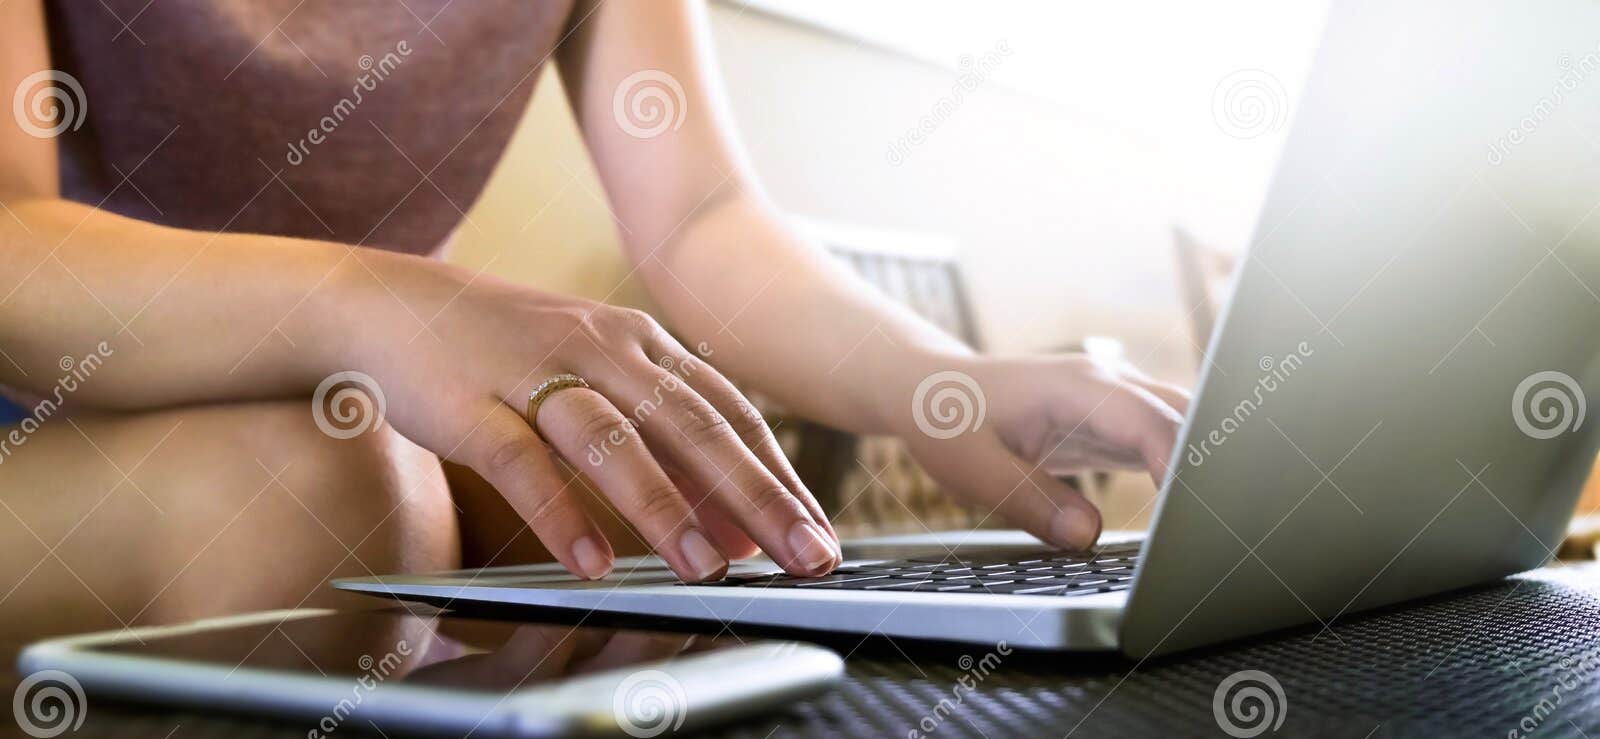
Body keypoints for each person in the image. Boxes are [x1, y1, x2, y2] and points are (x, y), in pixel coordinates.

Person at [0, 0, 1186, 640]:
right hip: (49, 436)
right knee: (306, 496)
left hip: (368, 411)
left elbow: (704, 217)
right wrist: (380, 301)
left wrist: (938, 379)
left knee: (671, 521)